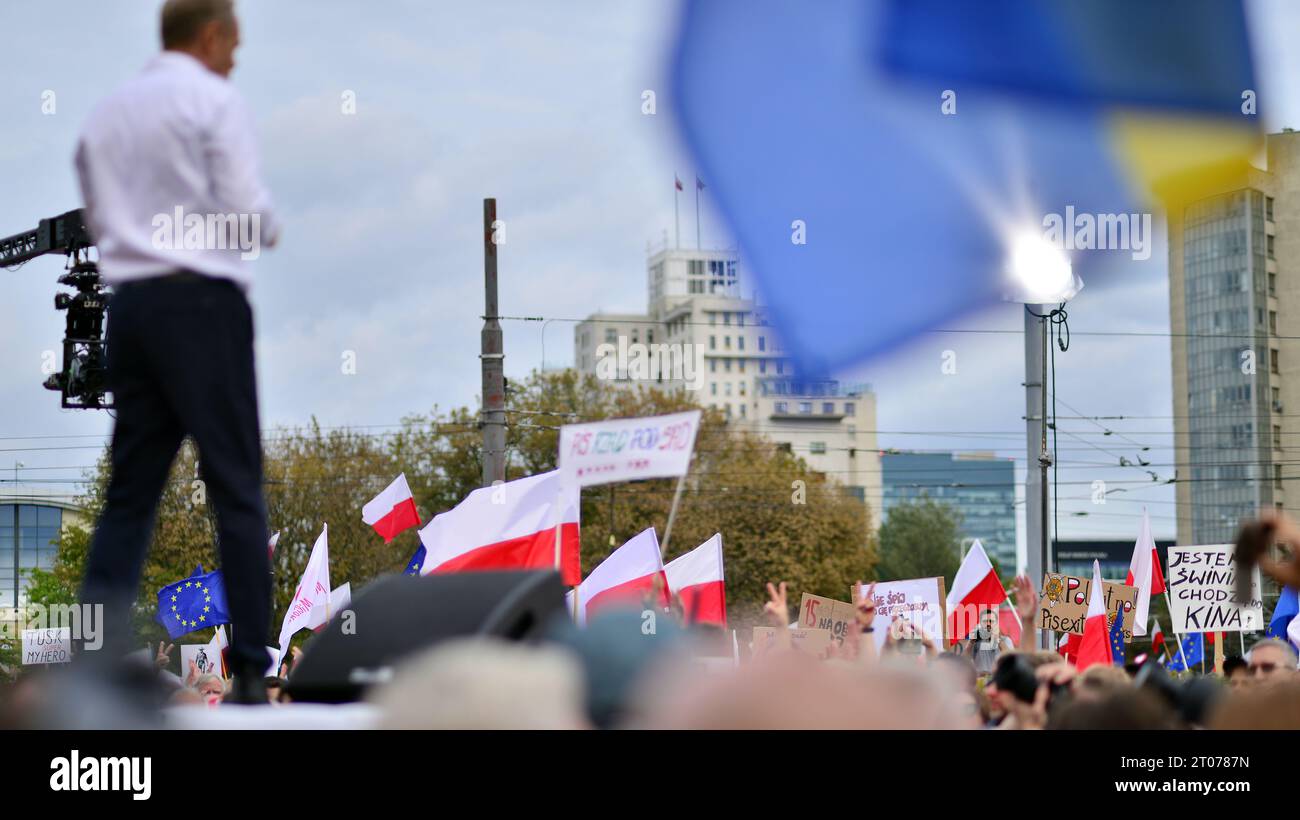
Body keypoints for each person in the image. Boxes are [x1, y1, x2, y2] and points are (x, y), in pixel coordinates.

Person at [73, 0, 279, 703]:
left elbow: (98, 215)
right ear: (213, 34)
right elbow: (251, 213)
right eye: (235, 45)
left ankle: (90, 663)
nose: (236, 59)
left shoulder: (106, 114)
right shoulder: (213, 100)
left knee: (129, 495)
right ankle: (251, 668)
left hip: (131, 309)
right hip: (204, 303)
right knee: (235, 487)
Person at [956, 606, 1014, 676]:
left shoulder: (1006, 640)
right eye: (985, 622)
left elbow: (1012, 660)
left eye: (991, 622)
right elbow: (962, 662)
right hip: (981, 683)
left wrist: (998, 639)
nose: (988, 625)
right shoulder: (975, 642)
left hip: (1000, 680)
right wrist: (971, 642)